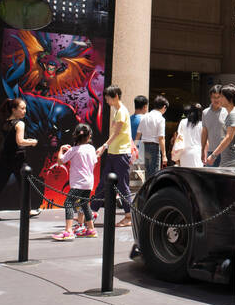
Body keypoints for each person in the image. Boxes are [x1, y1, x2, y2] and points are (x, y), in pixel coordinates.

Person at [0, 97, 38, 218]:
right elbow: (19, 141)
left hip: (5, 158)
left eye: (25, 109)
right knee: (24, 185)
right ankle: (27, 211)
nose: (24, 111)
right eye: (22, 108)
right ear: (14, 109)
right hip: (18, 159)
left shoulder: (6, 122)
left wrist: (25, 140)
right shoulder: (20, 123)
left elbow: (13, 140)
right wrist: (32, 142)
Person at [90, 85, 133, 228]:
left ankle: (128, 216)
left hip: (120, 153)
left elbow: (117, 134)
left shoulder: (121, 112)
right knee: (104, 183)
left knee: (122, 185)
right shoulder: (118, 111)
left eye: (108, 98)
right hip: (115, 153)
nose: (107, 101)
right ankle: (92, 213)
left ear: (115, 97)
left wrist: (104, 146)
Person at [52, 123, 96, 240]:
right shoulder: (91, 149)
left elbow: (61, 161)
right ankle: (91, 229)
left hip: (78, 183)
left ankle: (68, 231)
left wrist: (61, 150)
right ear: (89, 136)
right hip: (88, 182)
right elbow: (94, 162)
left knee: (68, 203)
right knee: (85, 204)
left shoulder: (74, 150)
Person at [204, 84, 235, 167]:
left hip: (234, 159)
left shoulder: (234, 114)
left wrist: (213, 156)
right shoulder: (231, 113)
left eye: (222, 96)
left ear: (229, 98)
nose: (219, 99)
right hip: (229, 158)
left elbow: (228, 137)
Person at [137, 94, 168, 179]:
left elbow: (138, 134)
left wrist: (136, 148)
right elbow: (161, 138)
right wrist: (164, 155)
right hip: (154, 147)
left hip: (143, 147)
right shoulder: (161, 119)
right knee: (154, 174)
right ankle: (151, 192)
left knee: (146, 174)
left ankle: (146, 191)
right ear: (164, 107)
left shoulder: (144, 116)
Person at [172, 103, 204, 168]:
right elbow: (206, 142)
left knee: (185, 176)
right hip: (197, 153)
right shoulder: (202, 124)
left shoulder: (183, 122)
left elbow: (178, 138)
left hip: (184, 153)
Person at [200, 84, 225, 167]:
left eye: (218, 97)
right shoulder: (205, 113)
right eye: (214, 97)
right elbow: (204, 132)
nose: (216, 100)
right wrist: (203, 150)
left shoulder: (227, 111)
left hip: (225, 153)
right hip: (211, 152)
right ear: (210, 98)